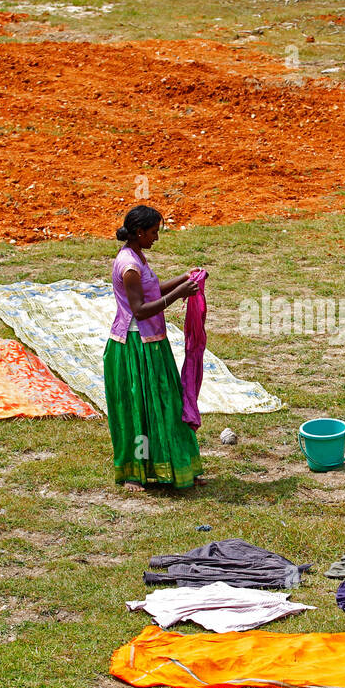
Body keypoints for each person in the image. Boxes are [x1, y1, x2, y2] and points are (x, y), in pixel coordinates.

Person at [103, 205, 204, 490]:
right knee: (139, 409)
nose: (155, 238)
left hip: (152, 343)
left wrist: (185, 278)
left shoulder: (138, 255)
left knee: (167, 405)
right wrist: (179, 294)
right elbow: (141, 309)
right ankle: (135, 472)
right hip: (135, 346)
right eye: (153, 232)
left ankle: (171, 467)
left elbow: (154, 290)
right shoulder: (129, 266)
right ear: (139, 232)